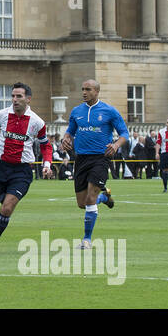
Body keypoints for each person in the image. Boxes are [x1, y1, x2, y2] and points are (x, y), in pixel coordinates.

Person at [0, 82, 52, 255]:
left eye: (19, 96)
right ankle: (3, 194)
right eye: (13, 96)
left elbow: (46, 146)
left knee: (7, 208)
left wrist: (47, 165)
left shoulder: (37, 122)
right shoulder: (2, 115)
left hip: (21, 172)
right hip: (0, 168)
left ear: (28, 99)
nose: (15, 99)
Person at [59, 79, 123, 251]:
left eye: (88, 89)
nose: (84, 92)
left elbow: (124, 133)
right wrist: (65, 139)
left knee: (90, 199)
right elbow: (70, 131)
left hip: (101, 159)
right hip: (81, 159)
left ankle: (87, 239)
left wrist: (116, 145)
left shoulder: (109, 111)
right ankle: (105, 197)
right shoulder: (76, 111)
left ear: (97, 91)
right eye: (82, 89)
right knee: (82, 203)